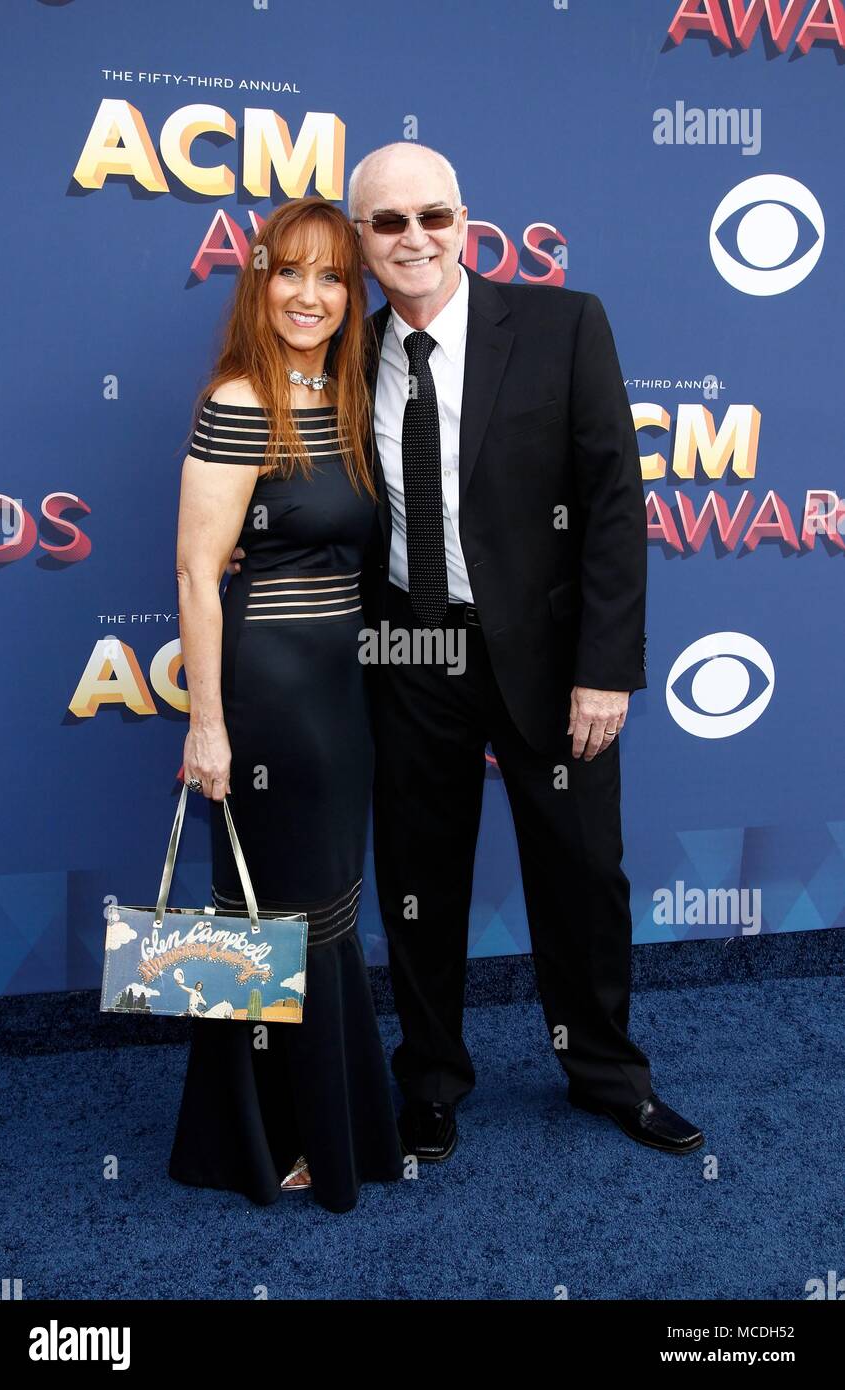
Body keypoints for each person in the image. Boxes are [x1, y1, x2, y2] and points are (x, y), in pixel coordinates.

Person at [229, 143, 705, 1164]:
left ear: (464, 223)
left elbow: (616, 503)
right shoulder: (342, 357)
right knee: (417, 878)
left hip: (546, 653)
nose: (413, 239)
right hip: (406, 646)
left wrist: (604, 666)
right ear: (358, 240)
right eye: (386, 223)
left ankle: (607, 1074)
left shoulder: (560, 324)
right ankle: (431, 1082)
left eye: (430, 217)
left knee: (581, 874)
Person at [168, 196, 404, 1213]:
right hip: (268, 694)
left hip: (342, 694)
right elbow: (194, 570)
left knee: (320, 911)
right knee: (273, 919)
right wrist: (208, 723)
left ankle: (275, 1130)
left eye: (332, 277)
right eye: (290, 272)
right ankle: (268, 1139)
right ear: (259, 281)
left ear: (352, 297)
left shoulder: (345, 397)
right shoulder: (236, 397)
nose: (310, 295)